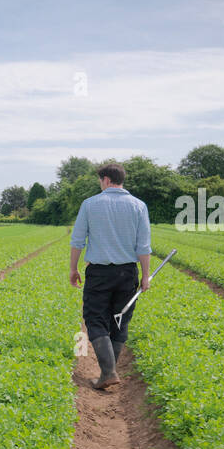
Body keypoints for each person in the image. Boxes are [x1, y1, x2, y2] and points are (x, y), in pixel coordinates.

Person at [69, 164, 151, 390]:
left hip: (99, 272)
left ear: (105, 180)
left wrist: (73, 268)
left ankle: (108, 372)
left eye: (99, 181)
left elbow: (78, 241)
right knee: (120, 320)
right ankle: (108, 372)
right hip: (128, 273)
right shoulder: (138, 206)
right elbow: (143, 246)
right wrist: (146, 276)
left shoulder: (90, 204)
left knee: (95, 318)